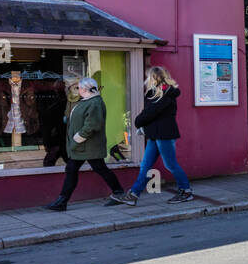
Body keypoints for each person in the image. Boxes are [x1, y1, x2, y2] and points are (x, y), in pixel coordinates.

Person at [112, 66, 193, 205]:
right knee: (145, 165)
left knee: (170, 164)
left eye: (148, 77)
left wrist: (138, 122)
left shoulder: (166, 93)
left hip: (164, 135)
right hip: (155, 135)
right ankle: (133, 194)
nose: (146, 80)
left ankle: (186, 190)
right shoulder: (157, 93)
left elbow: (150, 113)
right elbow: (151, 114)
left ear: (154, 78)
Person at [44, 77, 127, 211]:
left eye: (80, 88)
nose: (79, 90)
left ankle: (118, 192)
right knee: (75, 169)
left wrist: (77, 138)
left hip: (88, 145)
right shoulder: (87, 101)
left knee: (95, 168)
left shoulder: (95, 103)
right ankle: (62, 201)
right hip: (83, 146)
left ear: (86, 89)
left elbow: (92, 125)